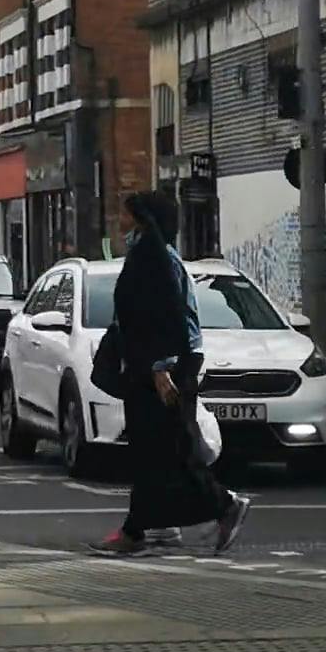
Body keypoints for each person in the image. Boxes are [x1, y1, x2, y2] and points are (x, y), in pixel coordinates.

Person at [97, 189, 248, 558]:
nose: (121, 223)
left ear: (146, 220)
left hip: (162, 367)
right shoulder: (146, 255)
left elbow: (166, 317)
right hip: (150, 365)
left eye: (128, 216)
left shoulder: (157, 259)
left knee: (168, 449)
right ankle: (142, 530)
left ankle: (224, 505)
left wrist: (161, 368)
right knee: (151, 451)